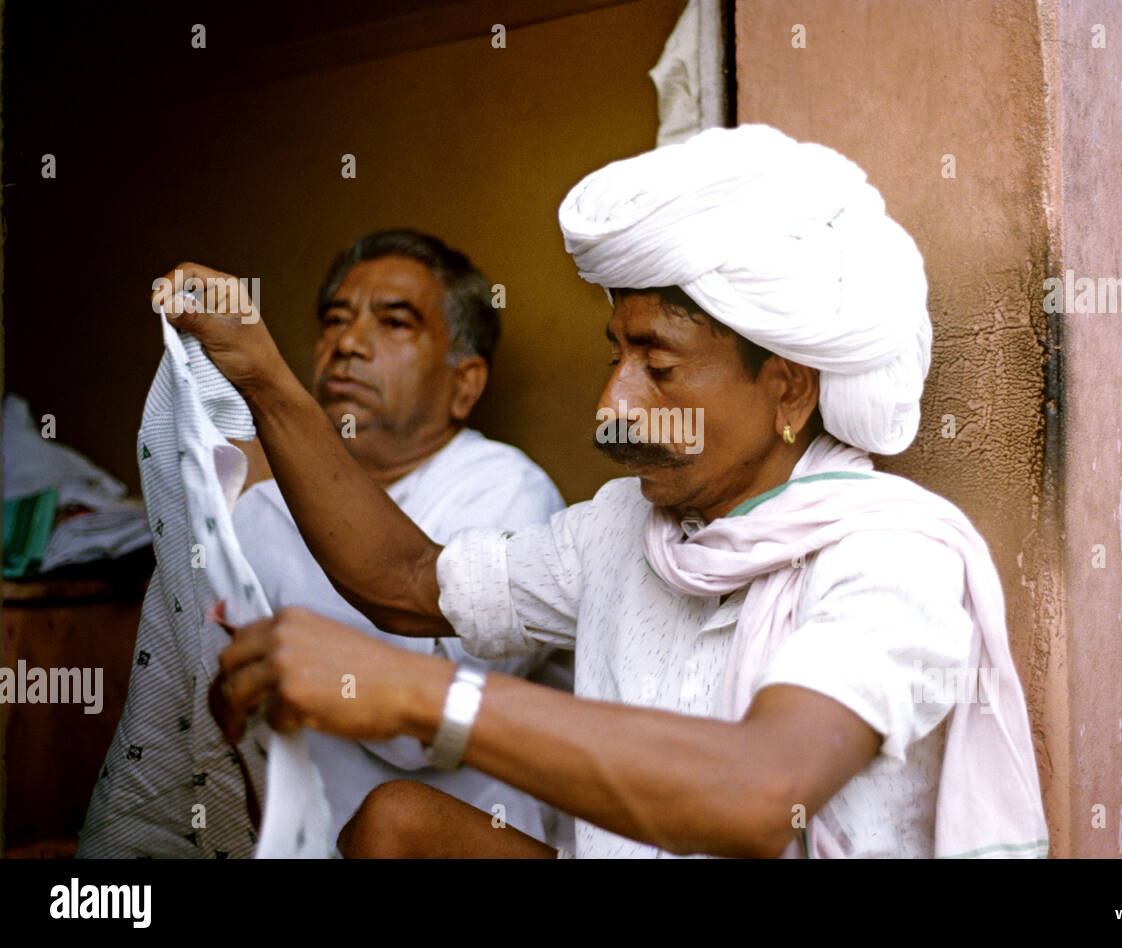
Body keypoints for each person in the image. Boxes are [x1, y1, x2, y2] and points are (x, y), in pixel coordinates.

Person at [166, 125, 1048, 859]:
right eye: (614, 355)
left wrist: (419, 694)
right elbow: (404, 581)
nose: (614, 405)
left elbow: (760, 790)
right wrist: (268, 378)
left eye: (657, 365)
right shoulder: (627, 528)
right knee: (399, 825)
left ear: (786, 388)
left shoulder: (893, 558)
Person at [230, 230, 569, 850]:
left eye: (394, 324)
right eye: (335, 320)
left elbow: (421, 739)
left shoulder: (506, 491)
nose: (348, 345)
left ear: (465, 384)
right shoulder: (260, 496)